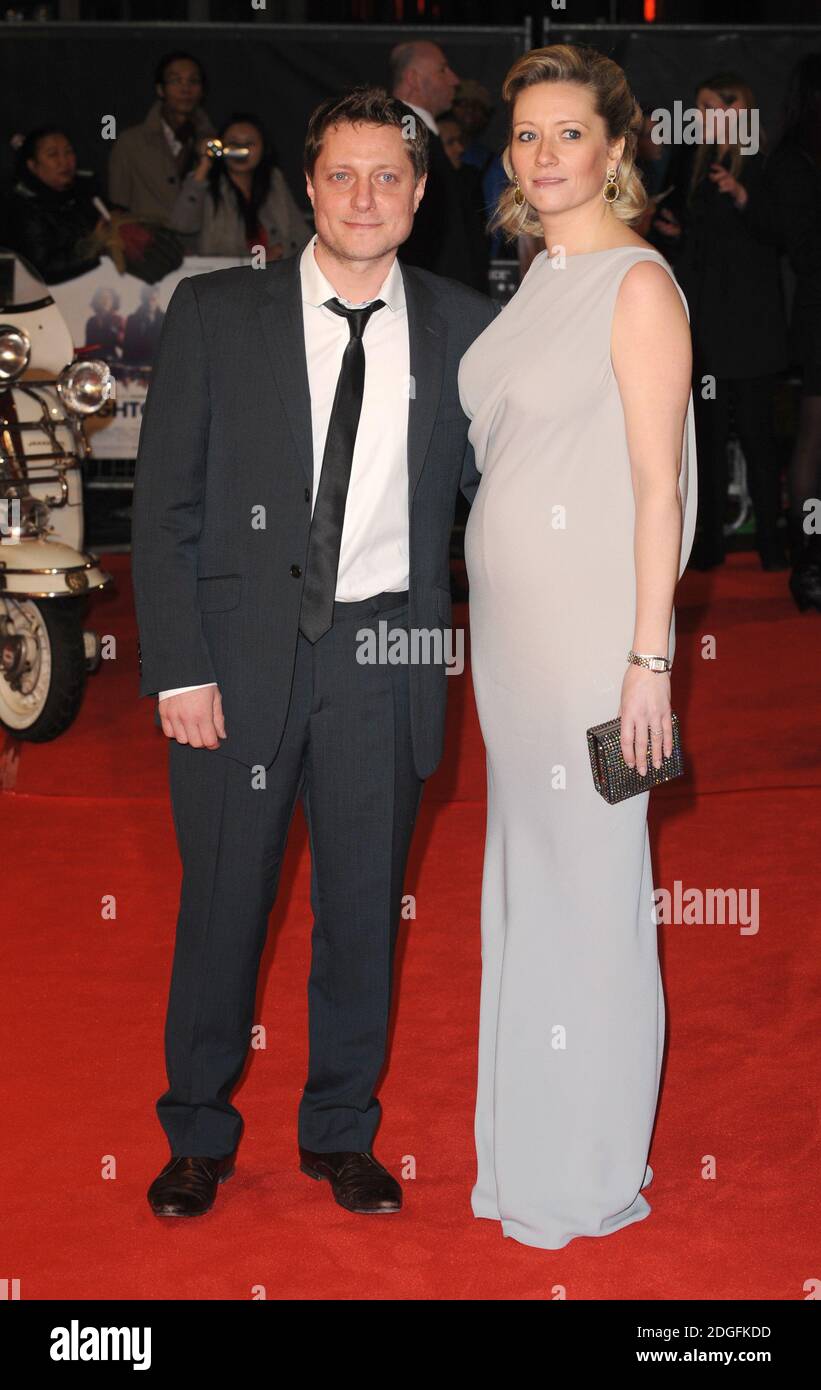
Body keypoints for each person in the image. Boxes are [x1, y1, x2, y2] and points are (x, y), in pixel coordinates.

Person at [131, 85, 498, 1221]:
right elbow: (164, 507)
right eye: (341, 174)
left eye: (389, 176)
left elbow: (510, 487)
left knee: (360, 908)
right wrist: (178, 666)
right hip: (236, 663)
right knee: (223, 903)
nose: (363, 197)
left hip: (383, 656)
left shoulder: (464, 326)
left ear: (421, 193)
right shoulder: (215, 314)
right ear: (306, 187)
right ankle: (198, 1125)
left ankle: (339, 1129)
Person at [458, 43, 697, 1249]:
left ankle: (585, 1161)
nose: (542, 155)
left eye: (566, 134)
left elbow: (659, 490)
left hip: (593, 646)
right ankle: (523, 1150)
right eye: (525, 136)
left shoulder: (635, 285)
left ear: (614, 152)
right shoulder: (541, 274)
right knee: (530, 884)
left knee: (592, 891)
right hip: (508, 644)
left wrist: (647, 662)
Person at [658, 74, 789, 571]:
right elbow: (694, 237)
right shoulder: (691, 159)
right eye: (699, 108)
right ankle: (707, 545)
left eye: (711, 108)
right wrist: (674, 230)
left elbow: (781, 233)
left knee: (758, 435)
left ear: (739, 109)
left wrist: (741, 195)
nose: (701, 118)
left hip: (752, 324)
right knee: (705, 440)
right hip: (707, 322)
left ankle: (773, 548)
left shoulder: (764, 161)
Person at [748, 54, 821, 612]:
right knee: (813, 437)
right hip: (816, 311)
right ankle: (810, 565)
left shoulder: (792, 159)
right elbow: (799, 245)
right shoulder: (794, 163)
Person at [390, 39, 489, 292]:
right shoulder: (403, 136)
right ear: (413, 79)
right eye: (442, 70)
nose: (454, 80)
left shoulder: (419, 135)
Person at [107, 51, 214, 249]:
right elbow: (118, 207)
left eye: (193, 81)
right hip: (149, 253)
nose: (185, 89)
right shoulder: (131, 142)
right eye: (176, 81)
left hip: (202, 254)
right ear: (160, 89)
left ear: (202, 90)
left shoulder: (215, 143)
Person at [169, 112, 312, 259]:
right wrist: (204, 164)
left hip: (272, 276)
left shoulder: (273, 181)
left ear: (263, 148)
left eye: (249, 144)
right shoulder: (207, 184)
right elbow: (181, 225)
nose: (241, 151)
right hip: (224, 277)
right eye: (233, 144)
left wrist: (282, 249)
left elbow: (303, 236)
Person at [5, 128, 104, 284]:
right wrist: (95, 245)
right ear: (33, 165)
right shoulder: (22, 209)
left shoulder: (85, 191)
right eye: (53, 155)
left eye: (68, 152)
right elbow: (41, 269)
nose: (64, 162)